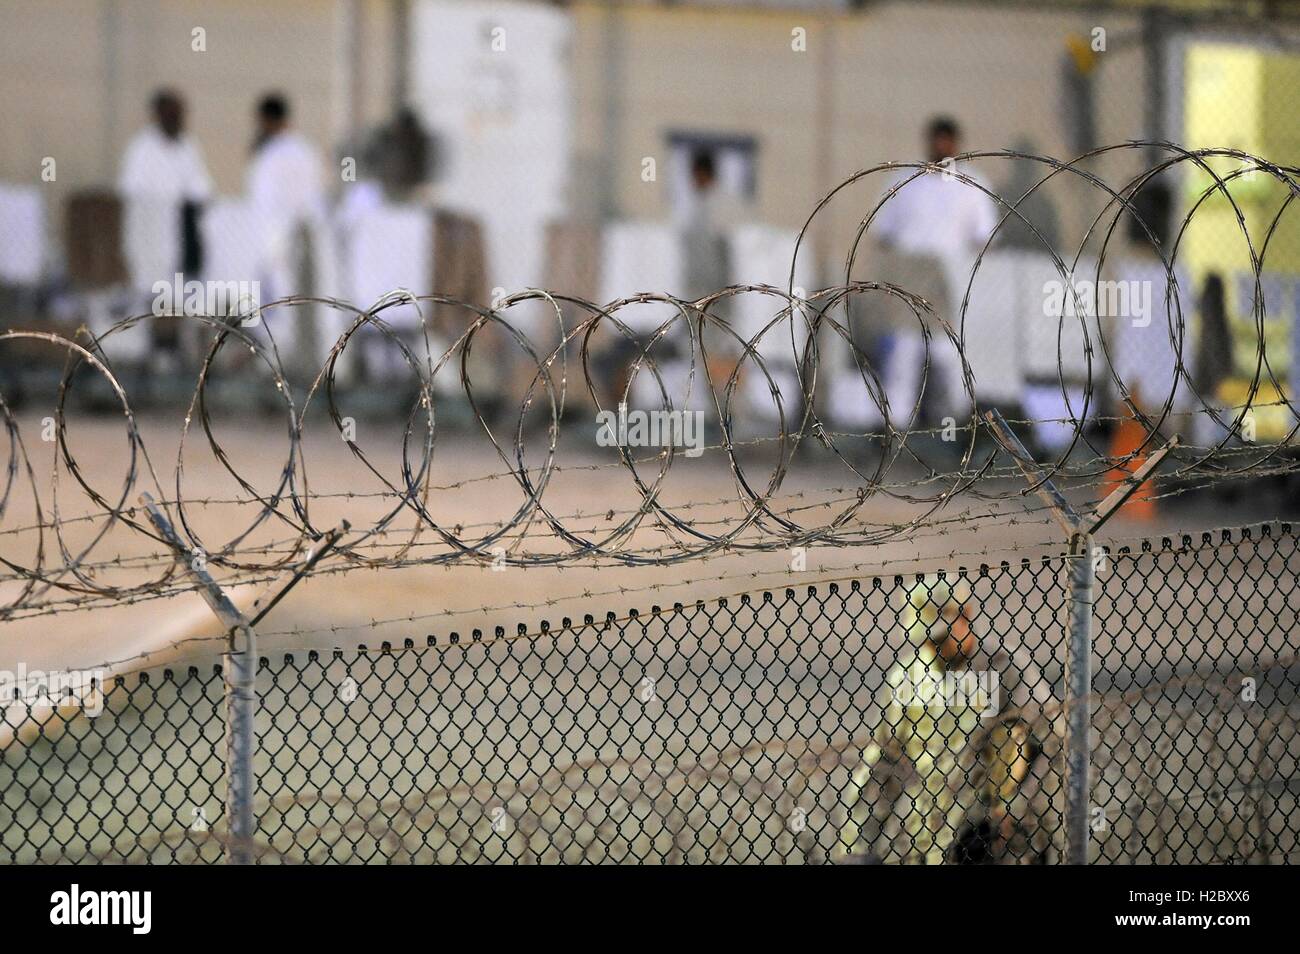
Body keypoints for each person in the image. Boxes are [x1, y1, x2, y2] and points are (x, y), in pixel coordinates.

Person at [835, 577, 1057, 864]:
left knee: (1011, 737)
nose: (932, 646)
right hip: (929, 837)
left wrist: (1014, 809)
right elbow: (883, 764)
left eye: (940, 637)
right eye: (926, 638)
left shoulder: (1003, 667)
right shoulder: (908, 677)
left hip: (998, 838)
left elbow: (1048, 745)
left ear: (966, 614)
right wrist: (858, 845)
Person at [860, 118, 998, 432]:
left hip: (950, 276)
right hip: (910, 273)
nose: (941, 147)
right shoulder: (906, 181)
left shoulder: (970, 185)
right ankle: (896, 424)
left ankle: (956, 424)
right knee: (905, 349)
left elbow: (985, 237)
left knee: (946, 351)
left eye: (947, 141)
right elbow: (883, 233)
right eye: (937, 140)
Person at [119, 89, 213, 300]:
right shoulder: (142, 148)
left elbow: (201, 187)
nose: (176, 119)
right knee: (151, 290)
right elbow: (133, 190)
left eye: (179, 114)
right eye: (170, 113)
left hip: (183, 230)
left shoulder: (188, 146)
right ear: (158, 115)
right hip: (151, 231)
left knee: (184, 292)